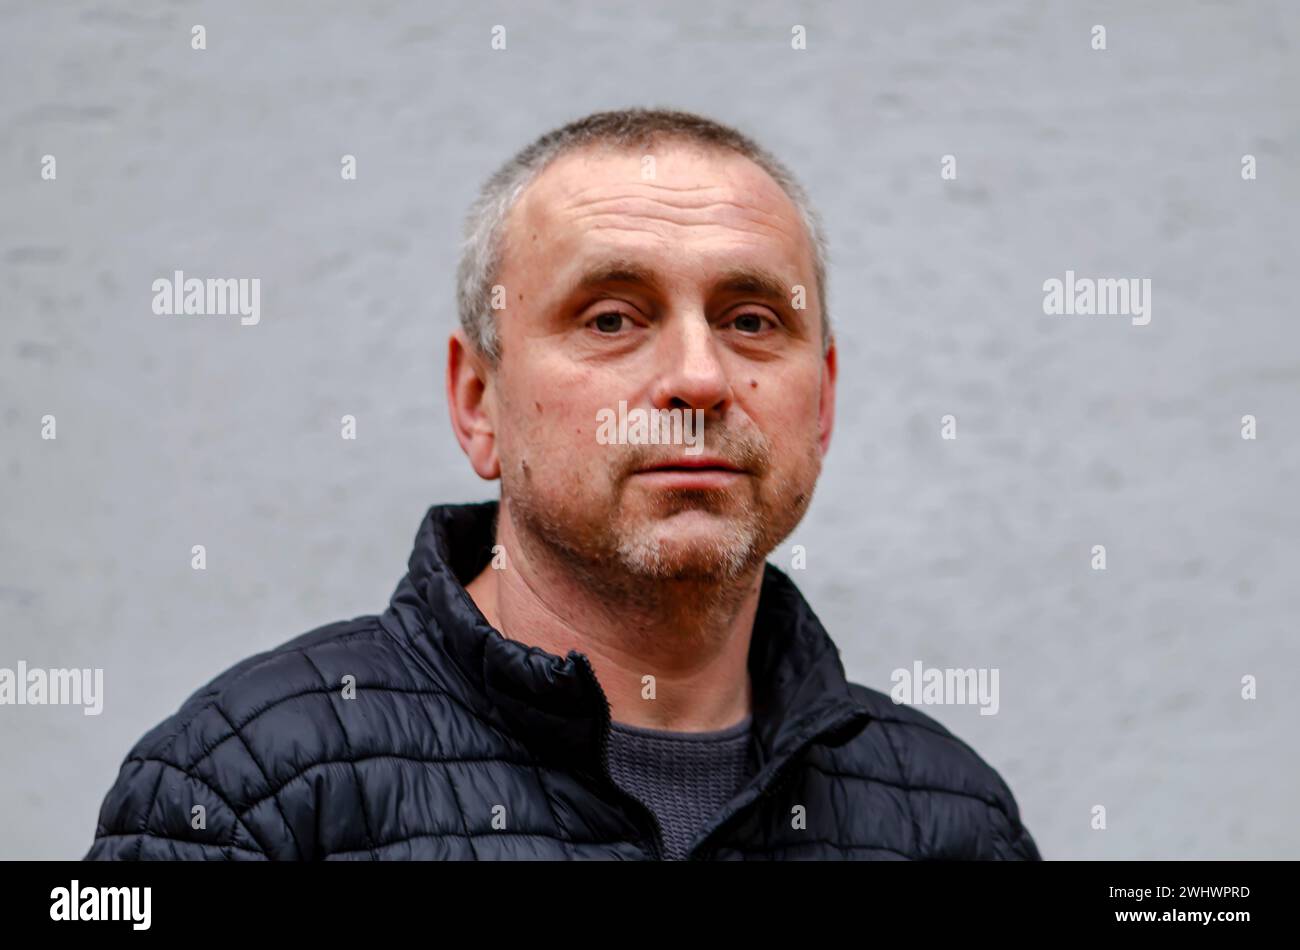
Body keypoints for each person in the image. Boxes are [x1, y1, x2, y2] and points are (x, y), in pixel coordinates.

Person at [85, 107, 1040, 860]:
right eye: (613, 318)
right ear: (477, 402)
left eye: (751, 320)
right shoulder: (248, 793)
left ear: (821, 404)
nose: (700, 381)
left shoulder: (951, 817)